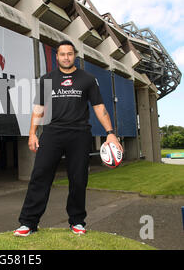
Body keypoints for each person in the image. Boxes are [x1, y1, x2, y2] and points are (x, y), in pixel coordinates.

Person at [14, 40, 123, 236]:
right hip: (52, 132)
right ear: (57, 57)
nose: (66, 57)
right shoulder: (47, 79)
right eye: (62, 54)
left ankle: (77, 221)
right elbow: (39, 108)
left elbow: (99, 108)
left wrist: (111, 133)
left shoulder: (87, 79)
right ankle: (28, 223)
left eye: (70, 54)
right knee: (40, 176)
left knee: (79, 179)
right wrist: (32, 133)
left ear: (75, 56)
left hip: (79, 133)